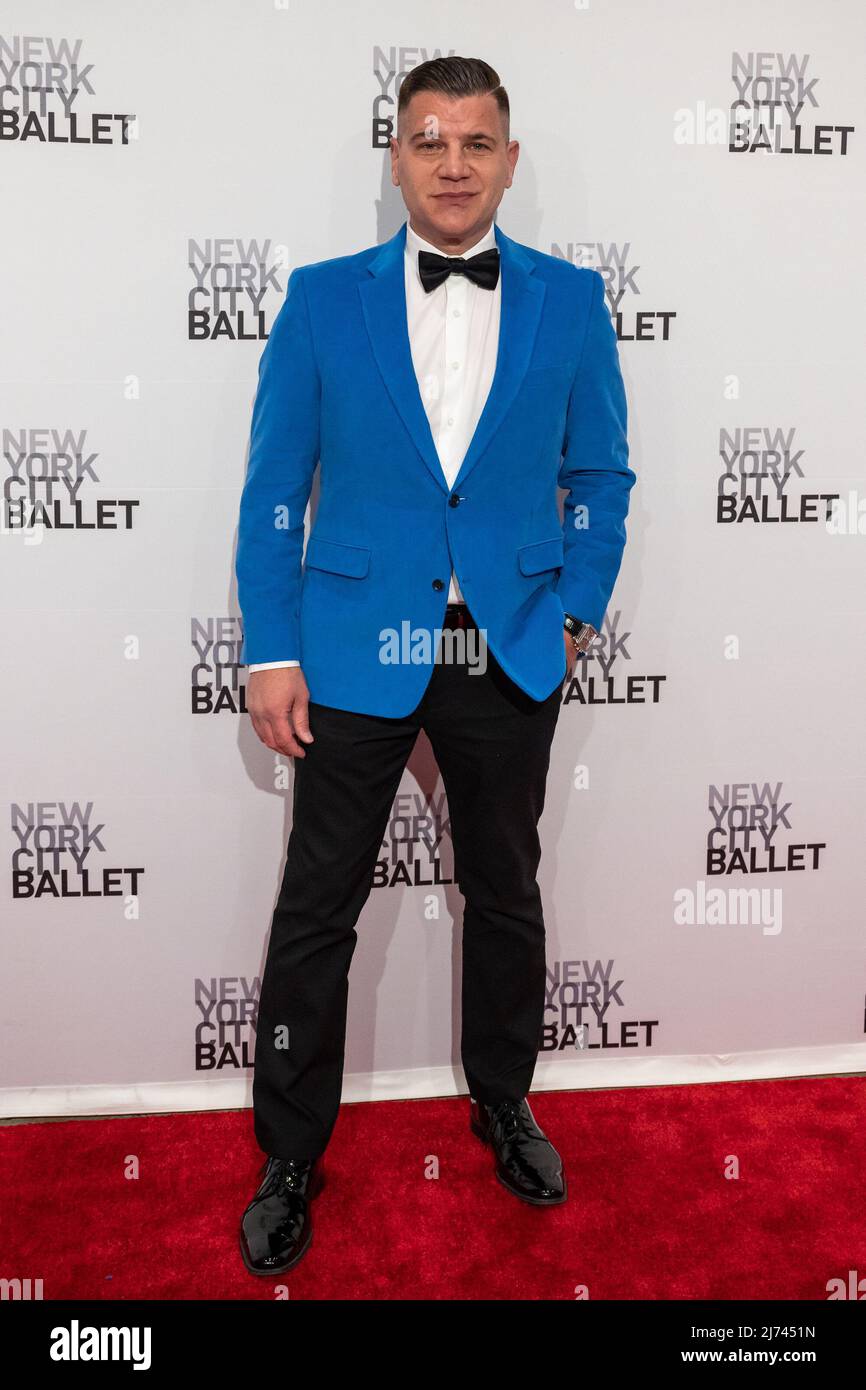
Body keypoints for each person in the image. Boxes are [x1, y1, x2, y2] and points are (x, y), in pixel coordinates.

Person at [235, 55, 635, 1275]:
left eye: (475, 142)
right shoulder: (317, 299)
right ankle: (290, 1151)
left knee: (503, 891)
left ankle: (503, 1100)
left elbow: (600, 477)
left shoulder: (570, 302)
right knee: (317, 909)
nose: (451, 162)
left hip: (502, 637)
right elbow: (272, 495)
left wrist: (573, 606)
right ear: (395, 156)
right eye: (427, 140)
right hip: (354, 642)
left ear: (508, 160)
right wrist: (270, 648)